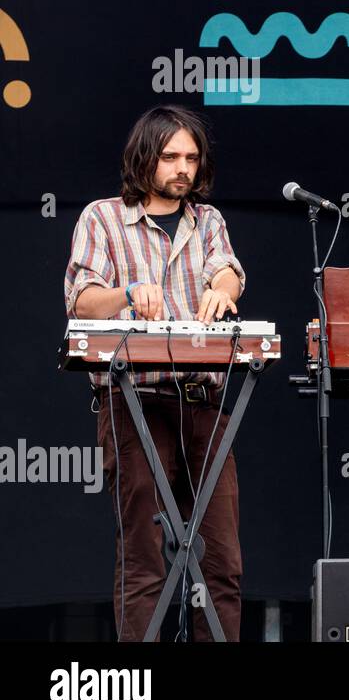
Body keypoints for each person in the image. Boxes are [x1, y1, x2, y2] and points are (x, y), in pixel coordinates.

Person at [64, 105, 246, 641]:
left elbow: (228, 271)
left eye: (191, 157)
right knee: (144, 560)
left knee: (222, 562)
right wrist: (127, 293)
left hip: (202, 403)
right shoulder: (101, 218)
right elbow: (82, 301)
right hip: (133, 400)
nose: (182, 168)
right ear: (144, 157)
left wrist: (222, 290)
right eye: (170, 157)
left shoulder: (207, 221)